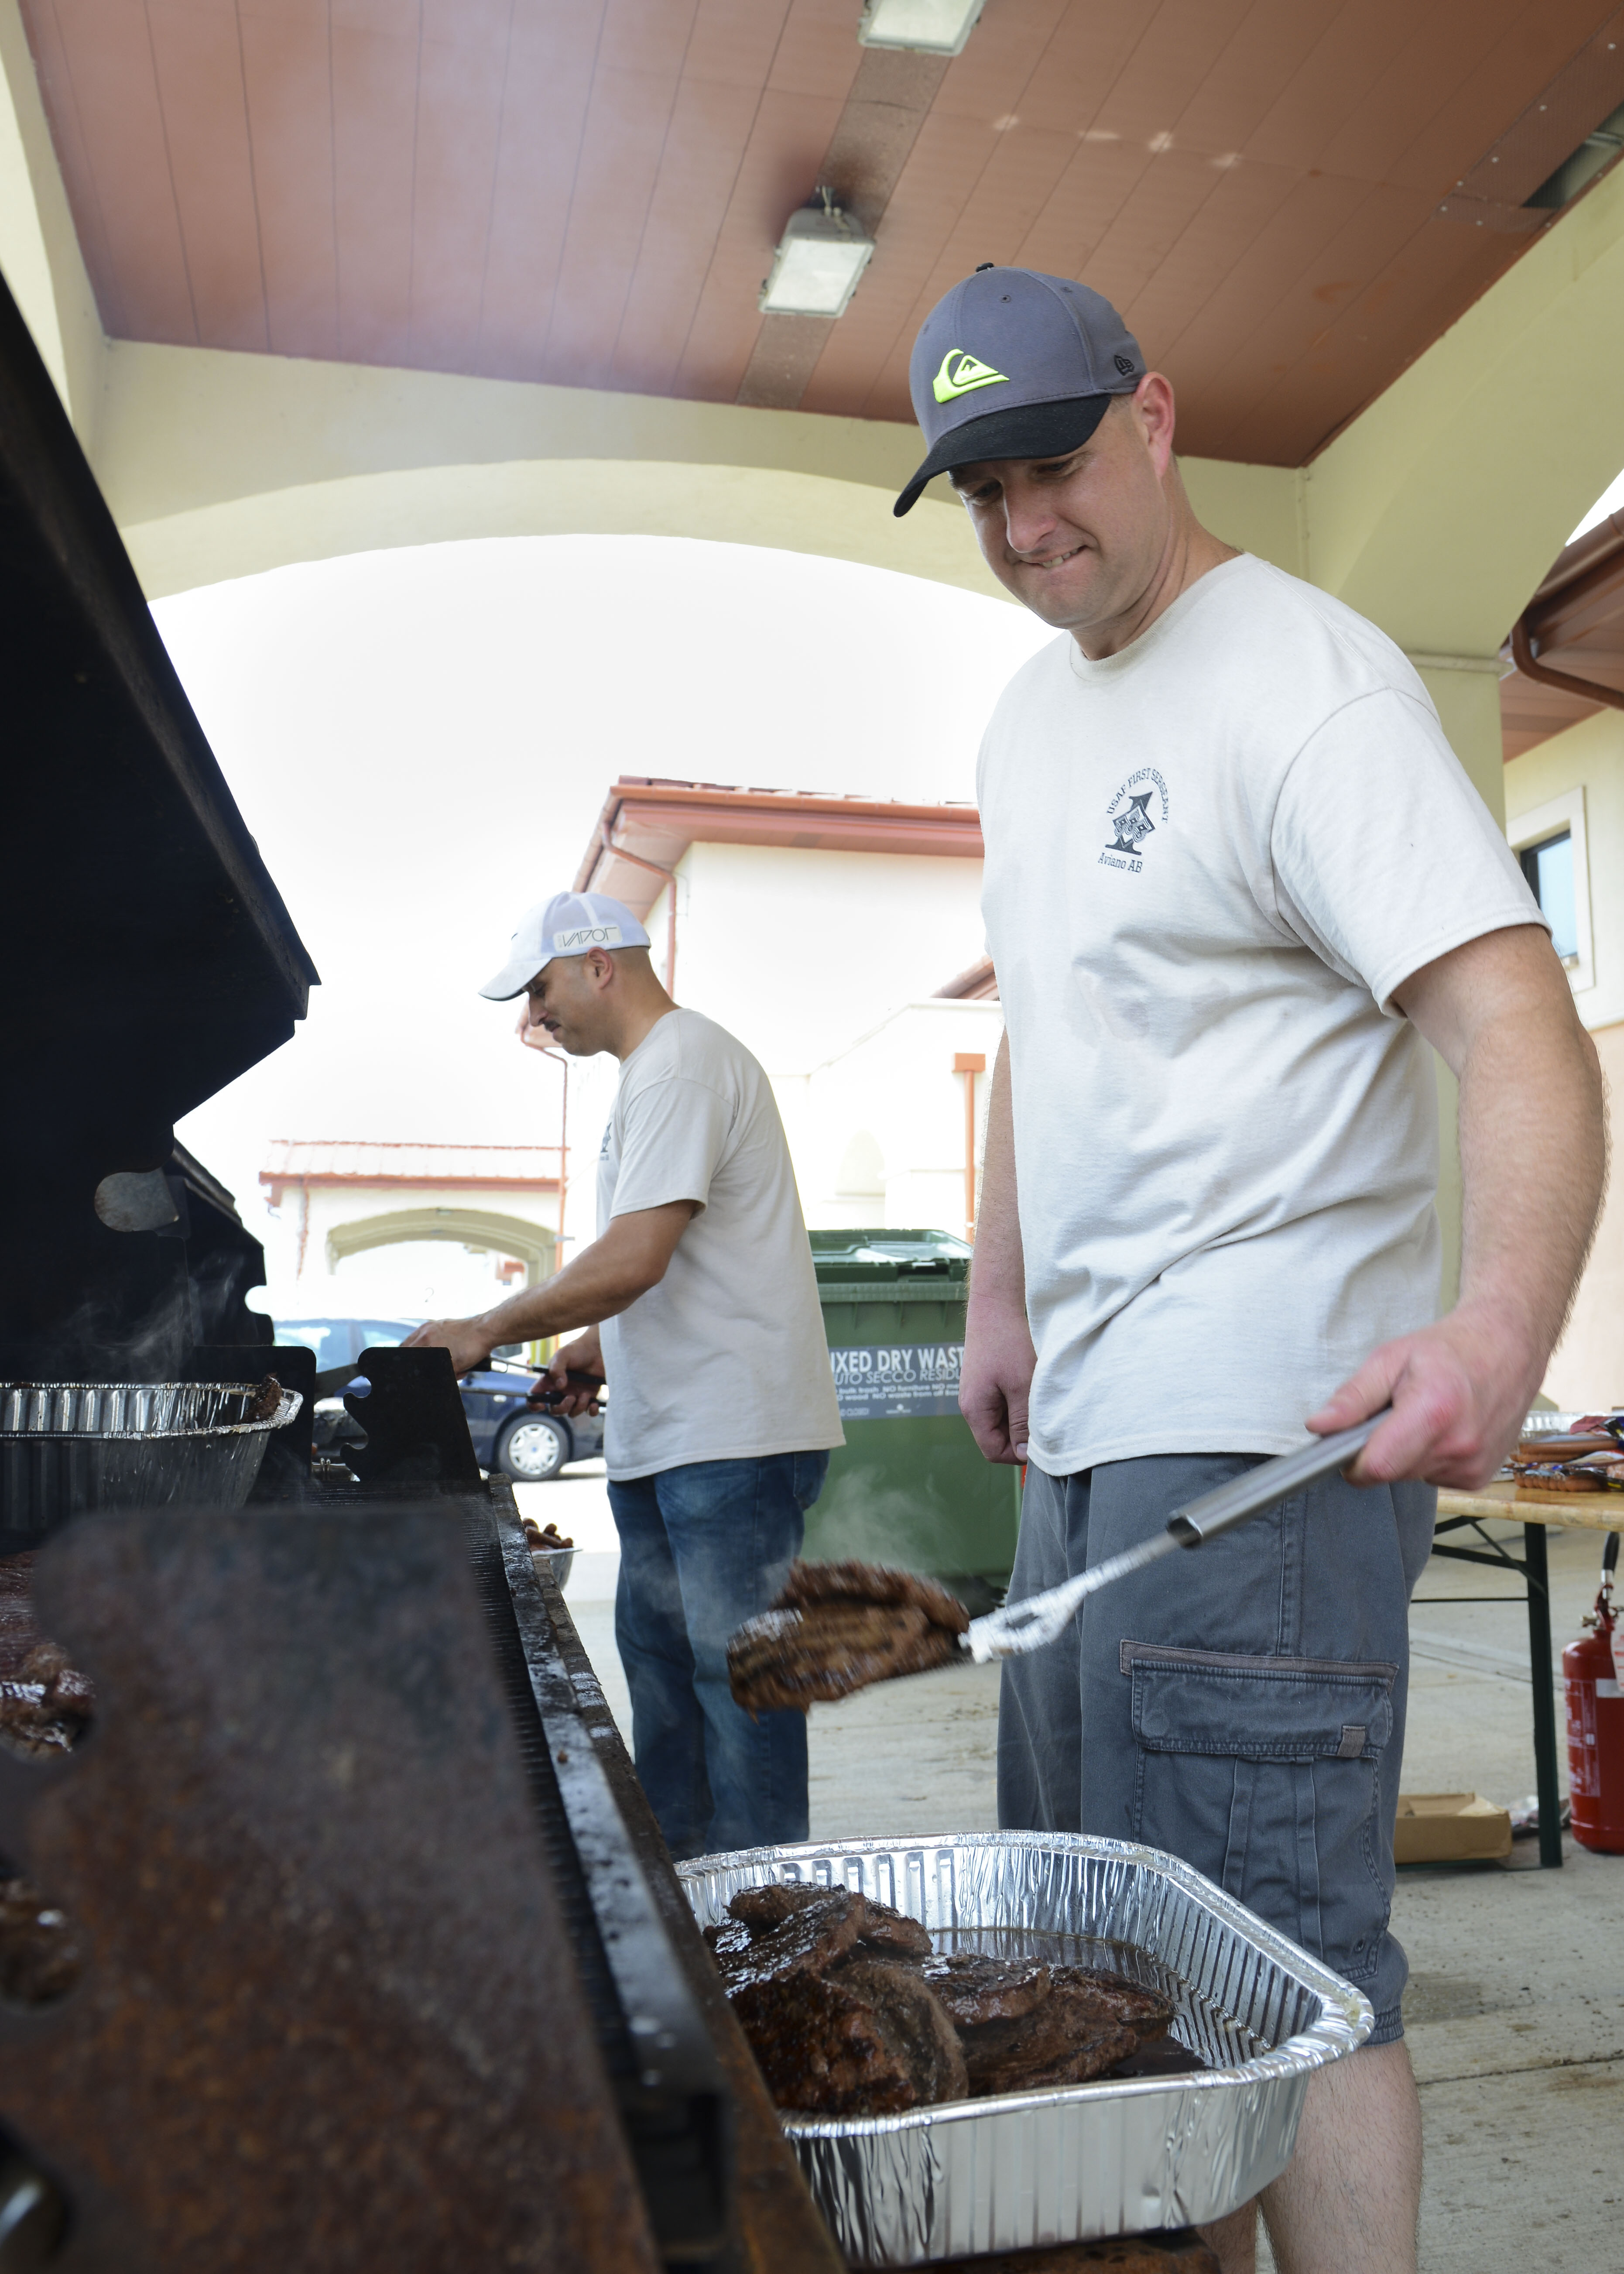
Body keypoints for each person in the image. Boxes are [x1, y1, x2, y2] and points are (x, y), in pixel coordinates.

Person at [894, 268, 1606, 2274]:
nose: (1024, 523)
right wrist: (995, 1297)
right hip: (1090, 1443)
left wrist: (1492, 1328)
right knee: (1106, 1963)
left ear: (1152, 417)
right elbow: (1043, 1027)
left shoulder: (1303, 681)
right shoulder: (1027, 723)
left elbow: (1509, 1024)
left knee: (1281, 1968)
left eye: (1047, 464)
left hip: (1268, 1440)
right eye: (978, 494)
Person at [406, 889, 843, 1859]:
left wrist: (485, 1327)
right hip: (674, 1433)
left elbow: (637, 1254)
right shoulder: (655, 1074)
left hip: (731, 1437)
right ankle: (687, 1899)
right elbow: (678, 1254)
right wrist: (598, 1344)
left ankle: (768, 1921)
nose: (536, 1015)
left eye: (542, 986)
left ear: (601, 961)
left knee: (741, 1686)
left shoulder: (681, 1065)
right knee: (663, 1671)